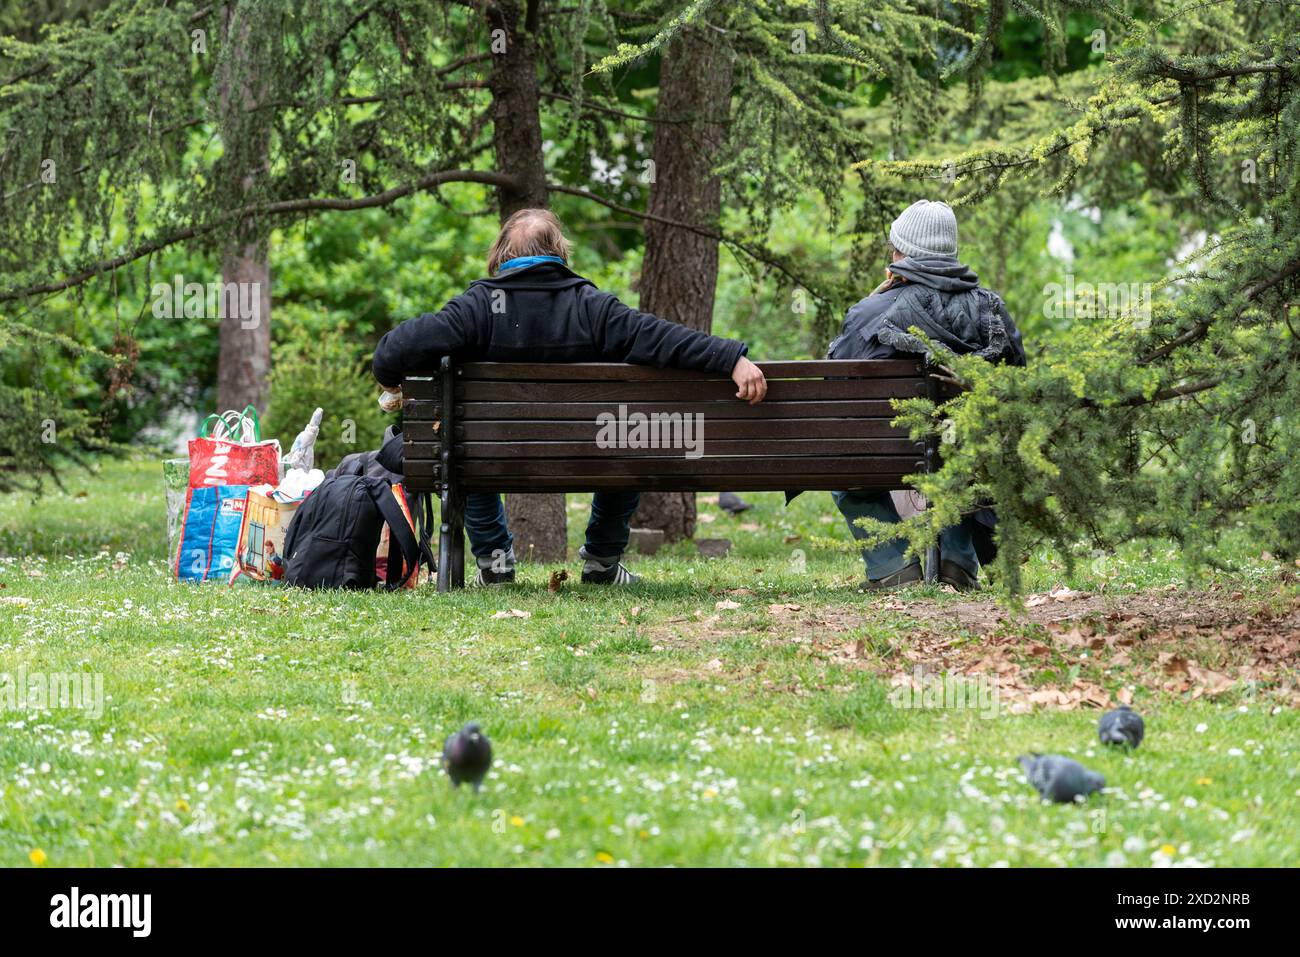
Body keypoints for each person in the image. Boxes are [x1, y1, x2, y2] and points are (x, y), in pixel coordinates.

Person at [371, 208, 767, 586]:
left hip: (494, 457)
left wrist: (392, 384)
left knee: (466, 450)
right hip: (589, 455)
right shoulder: (592, 307)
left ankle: (494, 564)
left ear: (502, 255)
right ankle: (601, 564)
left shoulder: (478, 307)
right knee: (628, 440)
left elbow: (391, 353)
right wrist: (730, 357)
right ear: (558, 252)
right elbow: (662, 338)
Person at [827, 199, 1026, 591]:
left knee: (844, 470)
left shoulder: (870, 312)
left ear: (901, 253)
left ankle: (892, 566)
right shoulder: (991, 309)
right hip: (969, 450)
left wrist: (872, 300)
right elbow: (1015, 379)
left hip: (884, 455)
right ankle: (957, 561)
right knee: (957, 456)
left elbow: (837, 392)